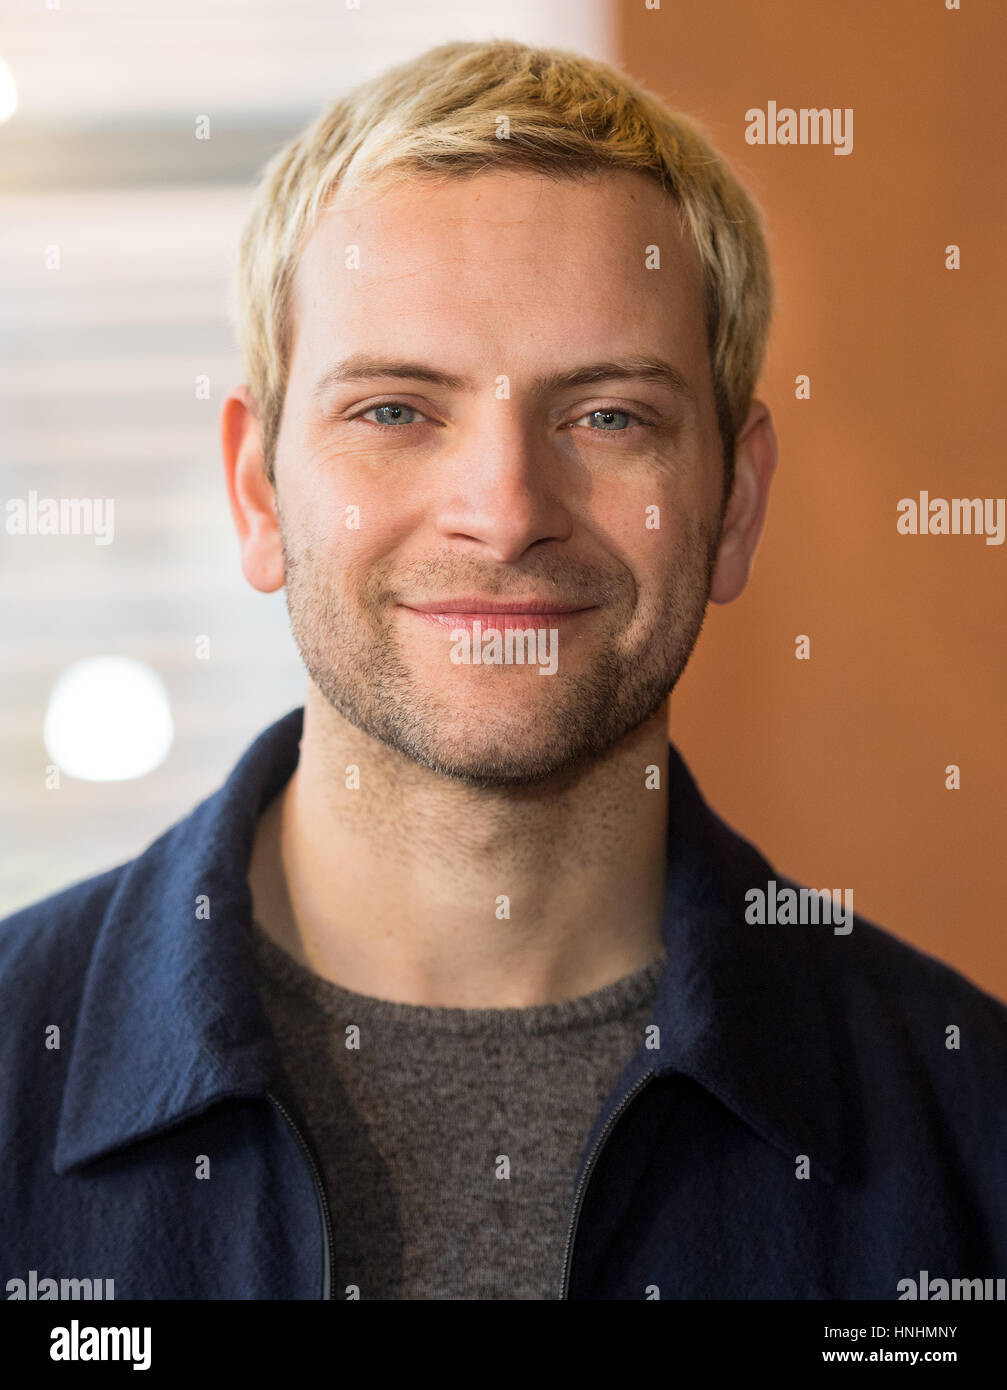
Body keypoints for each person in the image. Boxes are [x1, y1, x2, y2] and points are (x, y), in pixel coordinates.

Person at [2, 39, 1005, 1303]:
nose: (505, 508)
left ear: (736, 502)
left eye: (608, 416)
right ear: (257, 491)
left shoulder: (973, 1134)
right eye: (394, 410)